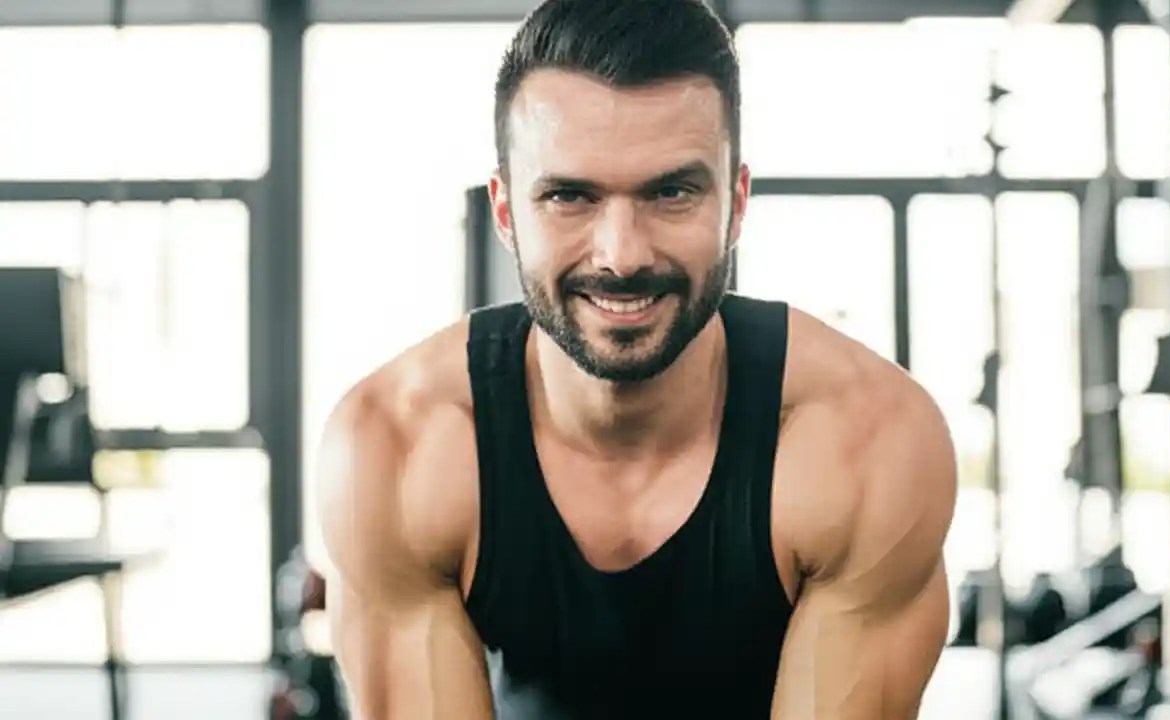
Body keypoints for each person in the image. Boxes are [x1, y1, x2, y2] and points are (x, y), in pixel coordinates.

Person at [316, 0, 958, 717]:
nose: (622, 255)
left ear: (736, 204)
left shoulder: (866, 442)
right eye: (568, 195)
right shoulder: (399, 448)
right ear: (505, 213)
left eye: (672, 192)